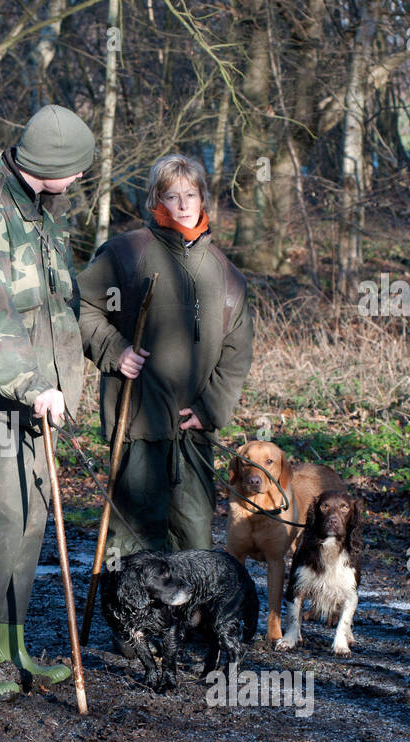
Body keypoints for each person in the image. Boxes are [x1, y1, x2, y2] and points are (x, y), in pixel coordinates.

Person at [0, 104, 95, 701]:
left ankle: (8, 644)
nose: (80, 177)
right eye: (75, 166)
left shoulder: (39, 216)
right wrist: (32, 385)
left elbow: (59, 307)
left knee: (29, 523)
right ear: (50, 164)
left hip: (38, 404)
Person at [78, 153, 254, 555]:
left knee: (194, 540)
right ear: (155, 200)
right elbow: (81, 306)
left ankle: (189, 619)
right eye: (172, 196)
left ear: (203, 198)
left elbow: (237, 351)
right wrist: (114, 349)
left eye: (191, 194)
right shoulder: (126, 254)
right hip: (136, 421)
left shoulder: (226, 274)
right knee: (134, 544)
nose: (183, 204)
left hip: (193, 430)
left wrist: (211, 408)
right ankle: (135, 620)